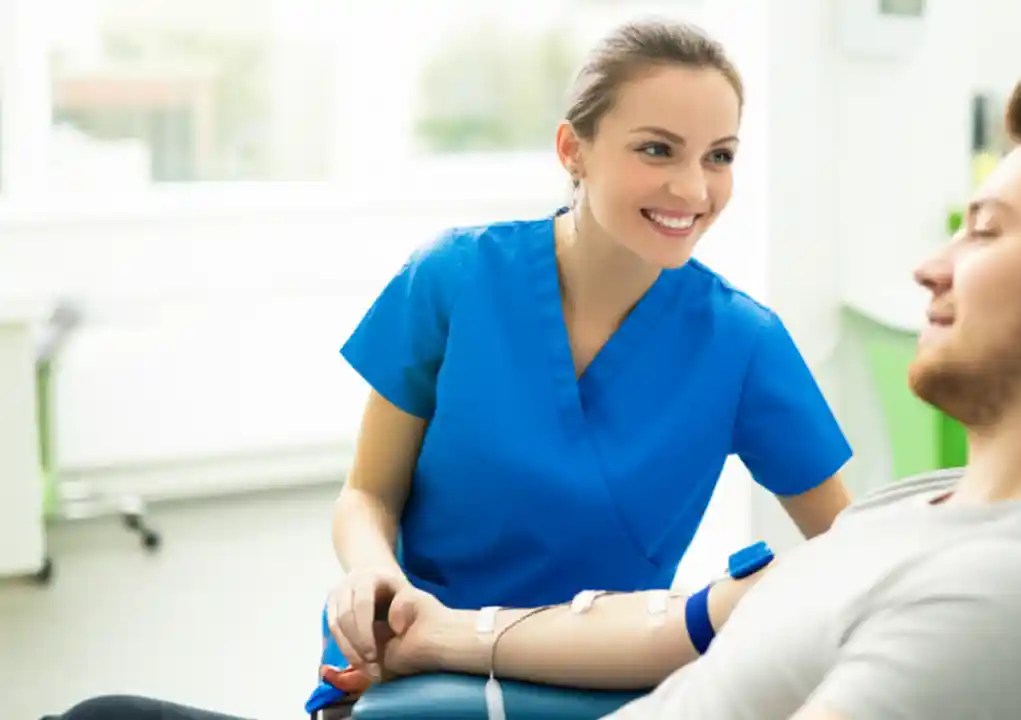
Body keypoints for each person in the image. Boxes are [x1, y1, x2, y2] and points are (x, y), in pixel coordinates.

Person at [44, 78, 1021, 720]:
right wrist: (440, 634)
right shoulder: (934, 506)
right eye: (655, 149)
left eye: (987, 228)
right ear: (573, 152)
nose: (929, 264)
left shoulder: (1011, 594)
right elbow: (684, 627)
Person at [319, 15, 852, 697]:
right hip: (405, 668)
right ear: (574, 149)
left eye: (719, 156)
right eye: (657, 150)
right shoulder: (455, 278)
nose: (693, 190)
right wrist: (371, 575)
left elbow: (849, 555)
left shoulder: (743, 344)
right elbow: (367, 493)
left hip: (597, 691)